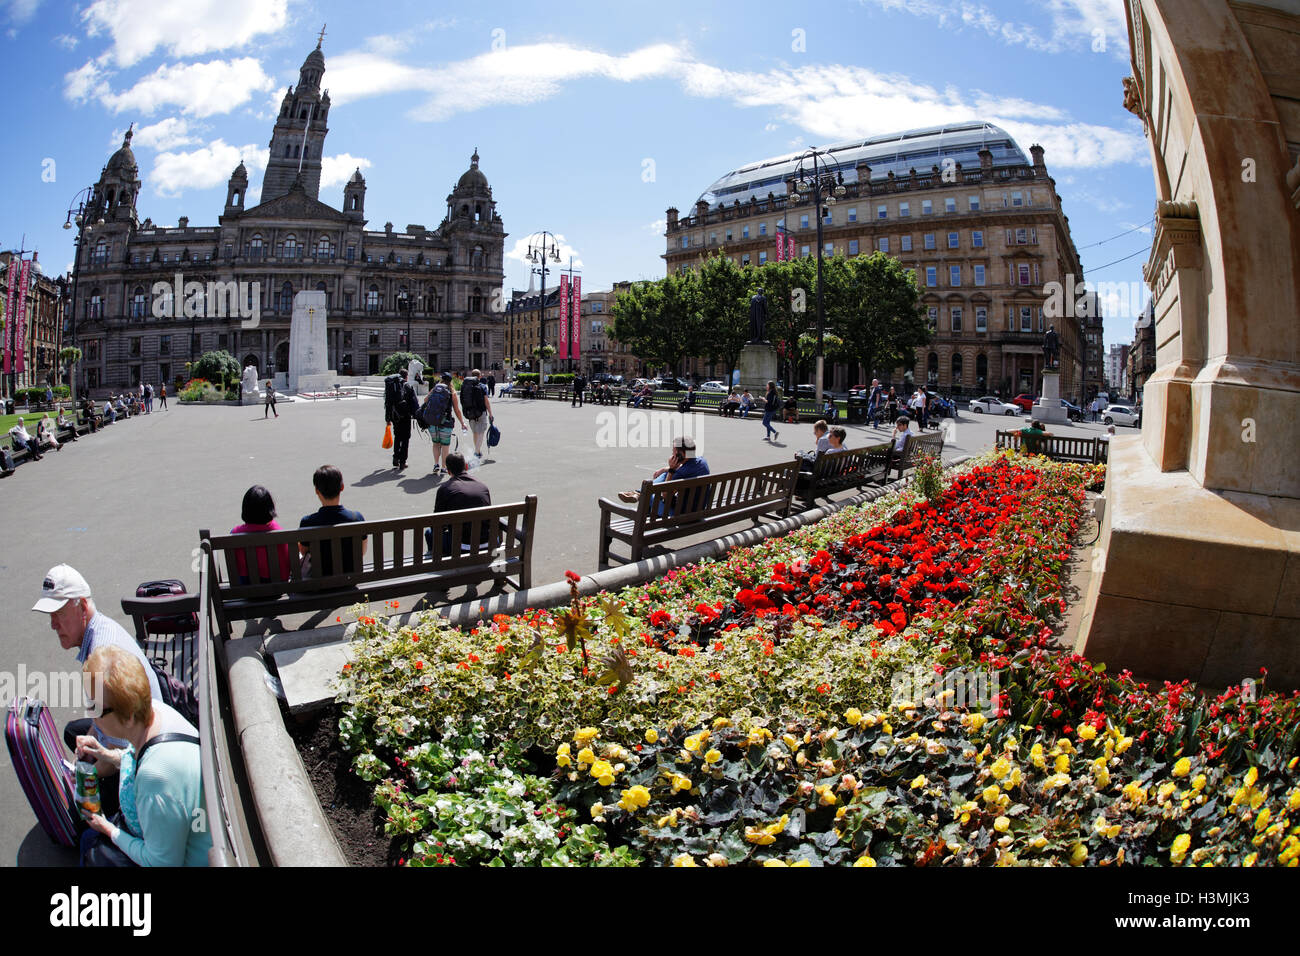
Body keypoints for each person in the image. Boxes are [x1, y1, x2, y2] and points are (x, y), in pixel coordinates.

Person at [32, 565, 163, 816]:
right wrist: (86, 752)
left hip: (144, 752)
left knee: (80, 814)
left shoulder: (101, 656)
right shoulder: (98, 632)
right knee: (75, 733)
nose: (52, 625)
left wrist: (81, 774)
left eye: (58, 613)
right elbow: (100, 720)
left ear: (81, 606)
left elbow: (119, 753)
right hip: (134, 728)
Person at [75, 645, 211, 867]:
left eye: (95, 708)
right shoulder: (155, 710)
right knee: (88, 840)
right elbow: (135, 756)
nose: (90, 715)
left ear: (128, 717)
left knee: (89, 845)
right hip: (180, 828)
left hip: (183, 858)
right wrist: (106, 754)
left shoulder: (155, 779)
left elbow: (161, 863)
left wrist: (109, 830)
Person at [298, 465, 366, 577]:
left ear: (316, 490)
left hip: (319, 579)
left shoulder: (307, 522)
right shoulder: (357, 518)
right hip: (349, 577)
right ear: (342, 487)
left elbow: (304, 552)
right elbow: (362, 552)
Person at [617, 436, 710, 513]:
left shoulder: (681, 473)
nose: (672, 453)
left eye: (674, 450)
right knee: (665, 475)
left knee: (647, 497)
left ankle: (640, 497)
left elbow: (666, 495)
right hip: (699, 510)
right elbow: (682, 468)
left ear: (681, 454)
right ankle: (638, 493)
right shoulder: (702, 462)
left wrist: (671, 470)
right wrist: (666, 469)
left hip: (681, 514)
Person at [426, 452, 494, 554]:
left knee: (429, 533)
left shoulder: (445, 489)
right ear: (466, 466)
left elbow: (437, 522)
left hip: (461, 546)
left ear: (448, 471)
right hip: (488, 543)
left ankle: (438, 563)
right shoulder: (482, 486)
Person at [230, 485, 292, 584]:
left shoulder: (234, 534)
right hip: (277, 587)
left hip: (247, 590)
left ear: (245, 509)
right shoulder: (278, 531)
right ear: (270, 509)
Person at [422, 371, 468, 476]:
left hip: (433, 421)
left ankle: (435, 464)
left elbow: (425, 400)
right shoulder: (452, 392)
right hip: (446, 422)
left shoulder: (435, 390)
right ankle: (444, 467)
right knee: (445, 445)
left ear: (441, 379)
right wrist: (462, 423)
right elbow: (457, 410)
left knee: (435, 444)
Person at [384, 367, 418, 471]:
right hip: (406, 416)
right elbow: (414, 403)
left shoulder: (392, 386)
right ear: (406, 376)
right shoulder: (407, 386)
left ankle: (395, 458)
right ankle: (403, 461)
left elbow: (387, 403)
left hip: (395, 416)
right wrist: (416, 415)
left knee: (397, 436)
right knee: (406, 438)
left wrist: (388, 418)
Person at [460, 368, 494, 459]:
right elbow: (486, 401)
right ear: (480, 376)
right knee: (481, 432)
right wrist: (490, 413)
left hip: (469, 412)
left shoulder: (465, 386)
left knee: (475, 432)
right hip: (481, 412)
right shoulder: (482, 386)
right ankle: (476, 452)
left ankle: (478, 451)